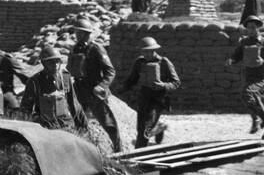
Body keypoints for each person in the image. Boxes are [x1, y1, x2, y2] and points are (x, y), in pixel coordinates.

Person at [67, 18, 122, 151]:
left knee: (108, 123)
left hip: (94, 91)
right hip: (79, 90)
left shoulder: (96, 48)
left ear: (87, 34)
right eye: (76, 32)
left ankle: (118, 150)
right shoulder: (74, 49)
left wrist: (102, 86)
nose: (78, 35)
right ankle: (85, 150)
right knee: (79, 122)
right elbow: (70, 69)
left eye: (81, 33)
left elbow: (110, 71)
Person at [119, 36, 182, 148]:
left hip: (158, 100)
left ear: (154, 50)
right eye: (144, 52)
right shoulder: (139, 62)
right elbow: (131, 80)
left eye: (149, 51)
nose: (146, 54)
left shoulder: (164, 62)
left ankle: (138, 156)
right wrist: (119, 90)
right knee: (140, 128)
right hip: (143, 99)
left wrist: (163, 85)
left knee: (145, 129)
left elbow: (176, 82)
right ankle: (159, 128)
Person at [228, 15, 264, 138]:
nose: (251, 30)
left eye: (253, 27)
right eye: (249, 28)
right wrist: (231, 60)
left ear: (258, 28)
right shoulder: (244, 42)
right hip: (247, 74)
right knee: (256, 101)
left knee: (246, 93)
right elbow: (236, 56)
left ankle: (262, 120)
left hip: (259, 76)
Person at [20, 45, 77, 129]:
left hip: (65, 124)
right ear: (43, 63)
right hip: (44, 126)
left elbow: (73, 103)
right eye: (51, 62)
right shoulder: (35, 81)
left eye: (57, 61)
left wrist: (82, 125)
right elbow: (25, 108)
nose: (55, 65)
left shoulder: (65, 77)